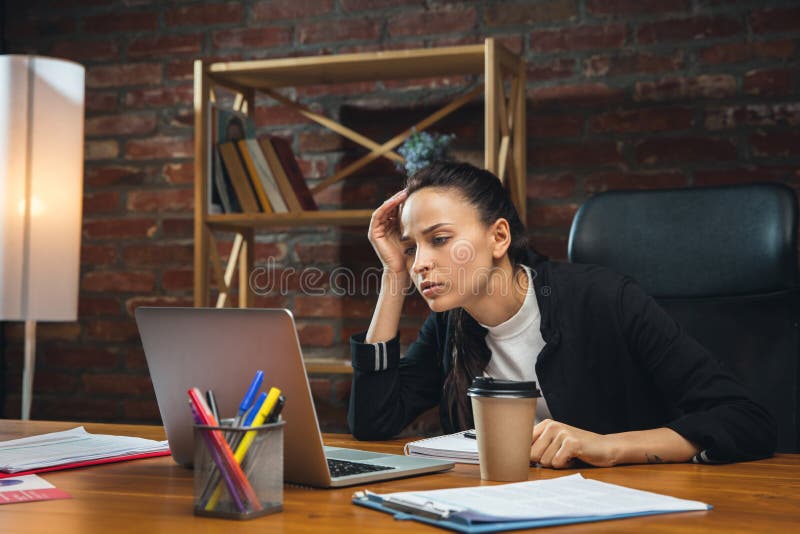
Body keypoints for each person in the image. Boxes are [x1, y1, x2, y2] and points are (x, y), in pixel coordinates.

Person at [348, 161, 777, 468]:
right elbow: (373, 421)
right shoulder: (451, 323)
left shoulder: (602, 298)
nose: (420, 262)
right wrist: (392, 275)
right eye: (411, 248)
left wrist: (608, 447)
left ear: (499, 237)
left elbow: (746, 419)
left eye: (439, 239)